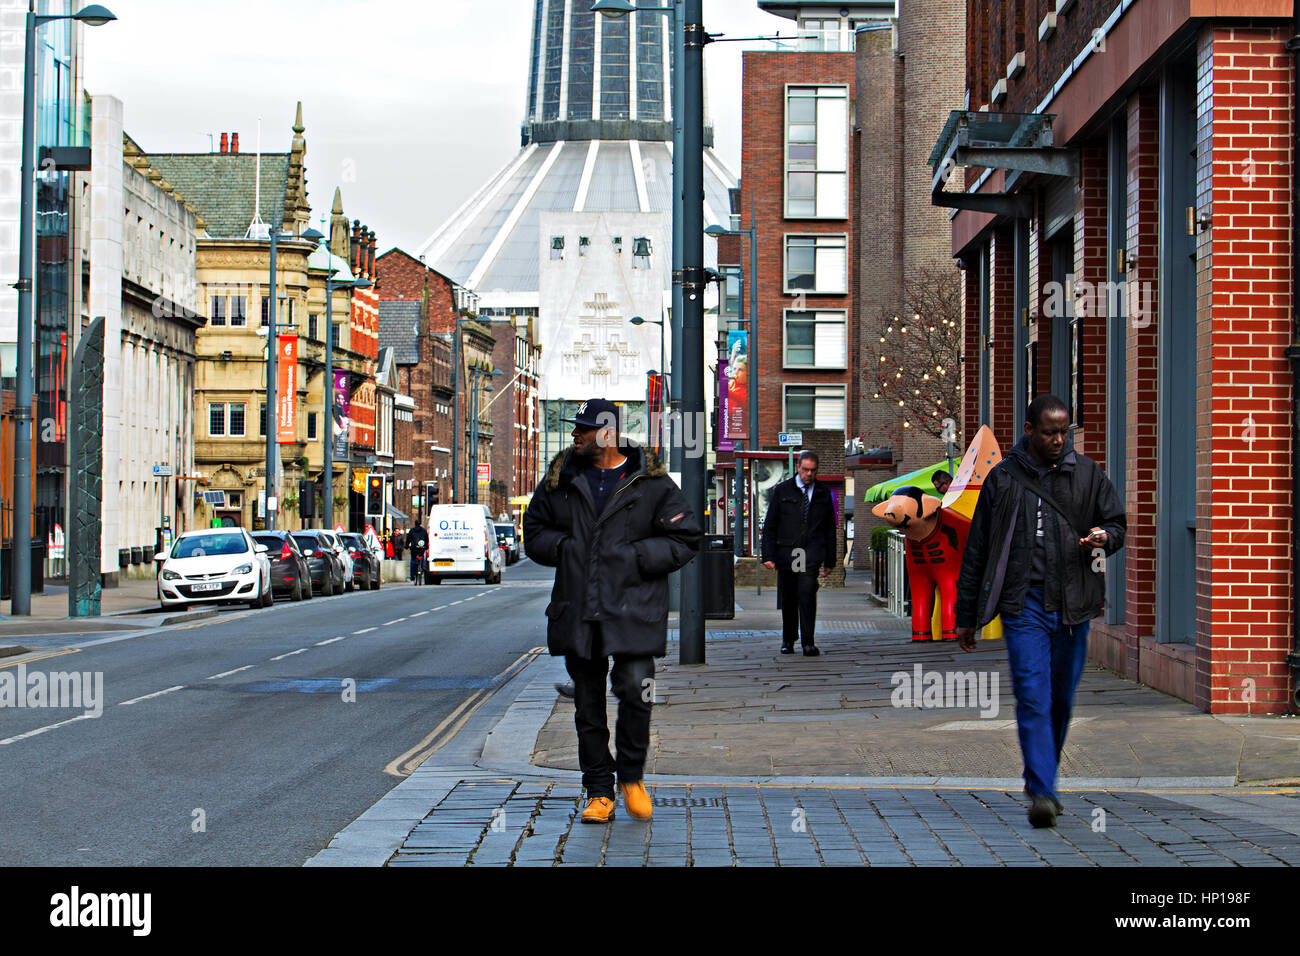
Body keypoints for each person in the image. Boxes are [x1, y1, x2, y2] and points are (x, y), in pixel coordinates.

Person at [524, 398, 700, 824]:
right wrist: (565, 548)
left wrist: (637, 556)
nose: (574, 435)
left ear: (607, 434)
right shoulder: (560, 481)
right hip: (579, 609)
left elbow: (686, 538)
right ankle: (599, 791)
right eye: (575, 428)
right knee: (587, 705)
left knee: (637, 689)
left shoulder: (651, 484)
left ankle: (632, 778)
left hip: (633, 608)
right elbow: (534, 532)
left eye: (582, 428)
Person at [955, 394, 1126, 829]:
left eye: (1064, 431)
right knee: (1032, 694)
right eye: (1049, 431)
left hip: (1074, 604)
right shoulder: (1003, 479)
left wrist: (1104, 536)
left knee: (1061, 701)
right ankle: (1045, 792)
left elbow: (1116, 522)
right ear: (1029, 430)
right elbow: (977, 549)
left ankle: (1038, 779)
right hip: (1023, 603)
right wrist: (966, 615)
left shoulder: (1087, 474)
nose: (1058, 439)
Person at [760, 450, 837, 656]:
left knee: (807, 594)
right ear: (798, 468)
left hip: (810, 551)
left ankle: (808, 642)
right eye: (805, 470)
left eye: (812, 471)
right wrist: (767, 555)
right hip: (790, 551)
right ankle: (788, 639)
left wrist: (830, 559)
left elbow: (830, 527)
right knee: (789, 597)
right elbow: (770, 525)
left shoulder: (822, 493)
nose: (808, 474)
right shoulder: (782, 491)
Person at [405, 520, 429, 585]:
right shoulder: (424, 531)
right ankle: (422, 567)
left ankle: (412, 575)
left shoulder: (412, 530)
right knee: (422, 557)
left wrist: (406, 546)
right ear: (420, 524)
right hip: (421, 548)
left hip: (414, 548)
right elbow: (426, 539)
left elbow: (408, 539)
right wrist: (426, 547)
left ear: (415, 524)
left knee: (413, 560)